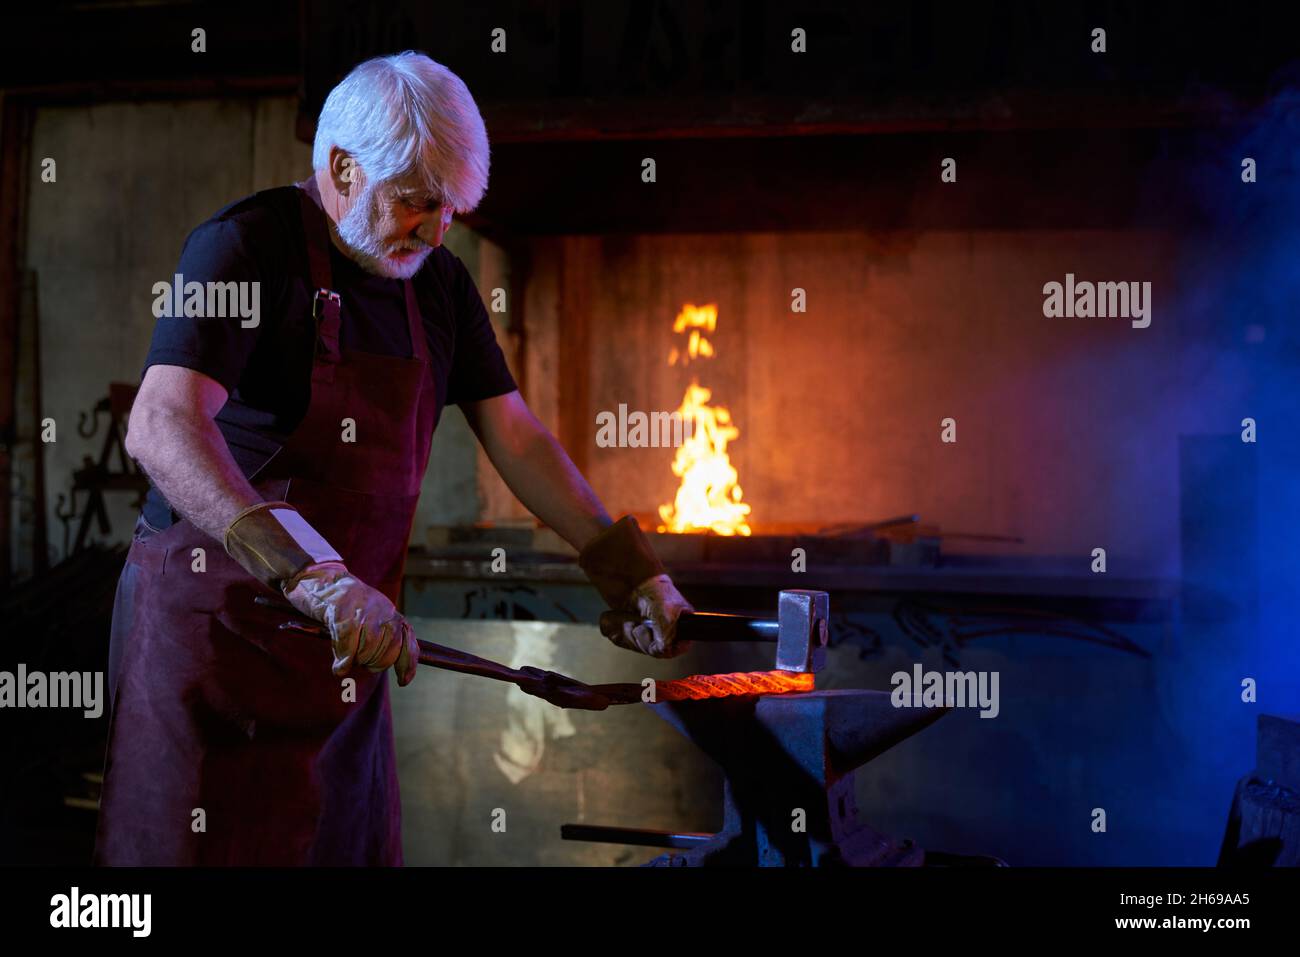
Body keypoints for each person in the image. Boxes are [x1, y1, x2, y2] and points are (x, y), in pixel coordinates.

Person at [94, 51, 692, 866]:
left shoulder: (438, 283)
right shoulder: (241, 247)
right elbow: (161, 423)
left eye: (452, 210)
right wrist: (318, 577)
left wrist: (629, 570)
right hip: (214, 655)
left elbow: (516, 435)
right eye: (418, 204)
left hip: (345, 663)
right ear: (342, 166)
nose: (438, 229)